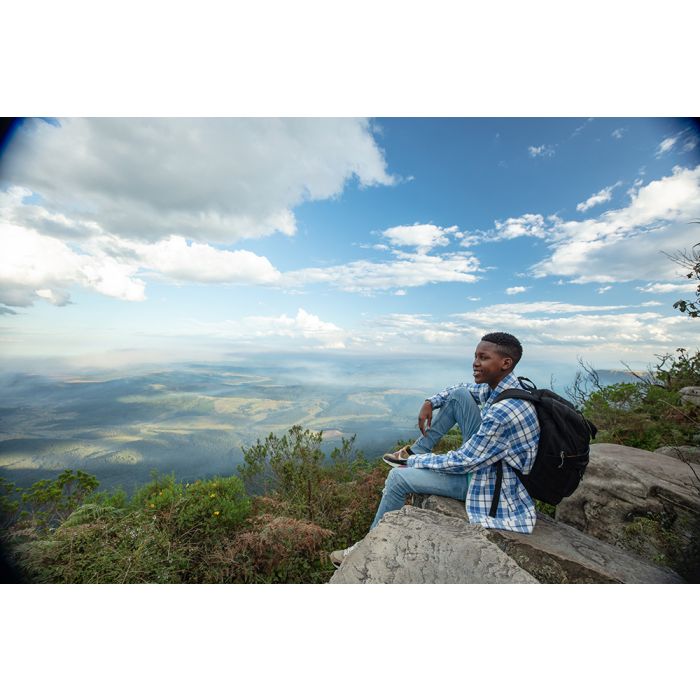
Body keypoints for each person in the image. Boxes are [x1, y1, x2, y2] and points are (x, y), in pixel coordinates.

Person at [330, 331, 540, 568]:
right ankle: (417, 450)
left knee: (398, 478)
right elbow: (461, 390)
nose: (475, 362)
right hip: (491, 466)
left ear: (505, 363)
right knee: (460, 396)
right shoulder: (506, 387)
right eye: (475, 356)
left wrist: (414, 464)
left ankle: (365, 549)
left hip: (490, 484)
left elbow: (463, 461)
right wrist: (431, 401)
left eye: (483, 357)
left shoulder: (505, 411)